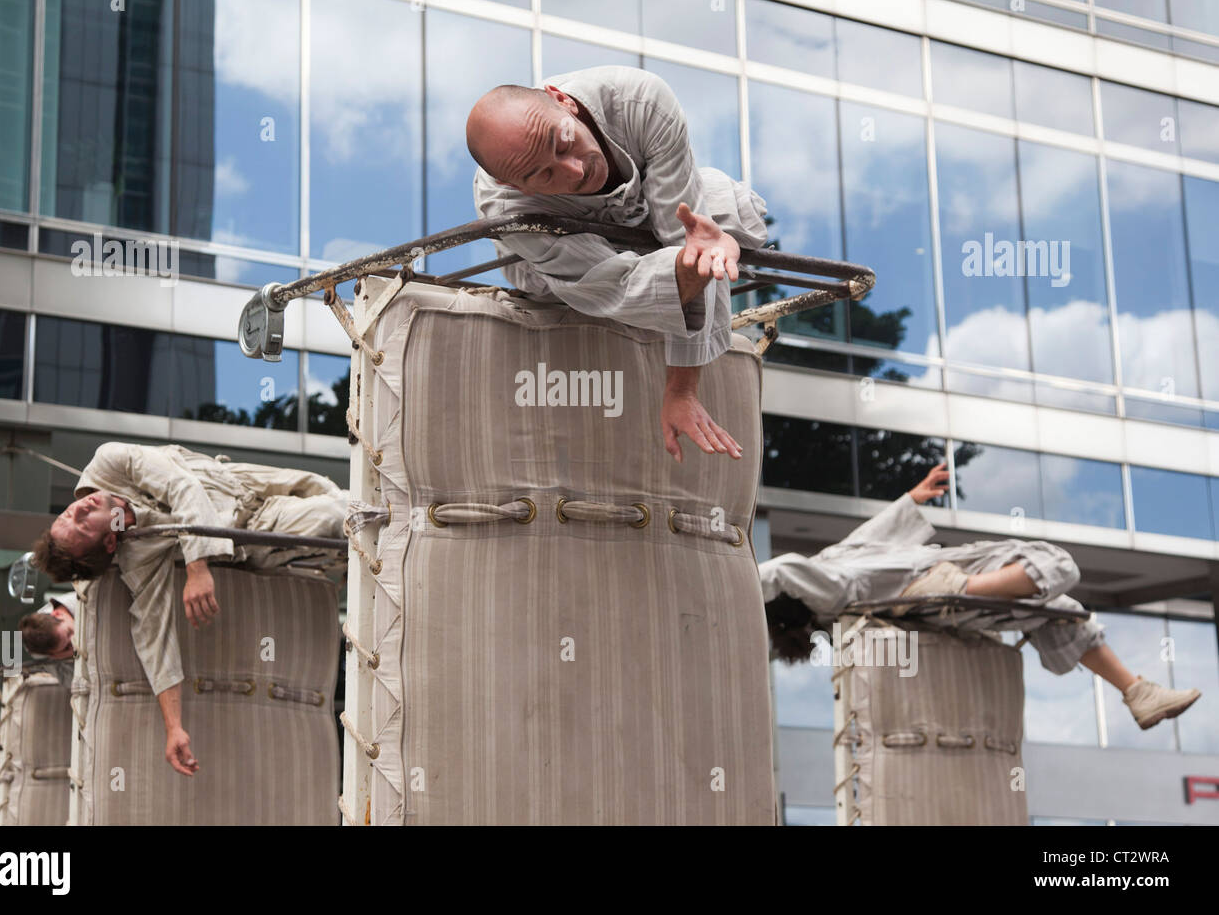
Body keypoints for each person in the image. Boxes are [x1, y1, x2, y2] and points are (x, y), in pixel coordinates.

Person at [467, 64, 769, 464]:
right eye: (544, 174)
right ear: (515, 185)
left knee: (728, 209)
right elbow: (615, 285)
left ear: (563, 100)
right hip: (565, 264)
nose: (575, 171)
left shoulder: (641, 102)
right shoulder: (508, 207)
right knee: (588, 285)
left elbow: (686, 238)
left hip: (646, 217)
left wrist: (682, 388)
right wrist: (691, 263)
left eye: (564, 143)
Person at [759, 463, 1201, 730]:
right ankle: (963, 589)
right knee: (1058, 564)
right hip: (947, 585)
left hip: (948, 593)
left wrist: (911, 500)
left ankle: (1137, 692)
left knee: (1062, 611)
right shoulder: (831, 589)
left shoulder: (833, 572)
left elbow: (863, 538)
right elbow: (777, 571)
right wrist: (723, 578)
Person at [30, 442, 348, 775]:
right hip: (258, 528)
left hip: (245, 485)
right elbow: (154, 637)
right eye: (83, 523)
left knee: (345, 495)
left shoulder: (109, 463)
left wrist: (197, 569)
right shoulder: (138, 556)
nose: (81, 507)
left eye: (69, 512)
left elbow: (182, 487)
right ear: (110, 542)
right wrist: (174, 729)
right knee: (340, 517)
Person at [18, 592, 79, 685]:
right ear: (55, 656)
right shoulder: (56, 665)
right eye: (67, 647)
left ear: (58, 614)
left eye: (70, 632)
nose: (75, 641)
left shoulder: (83, 600)